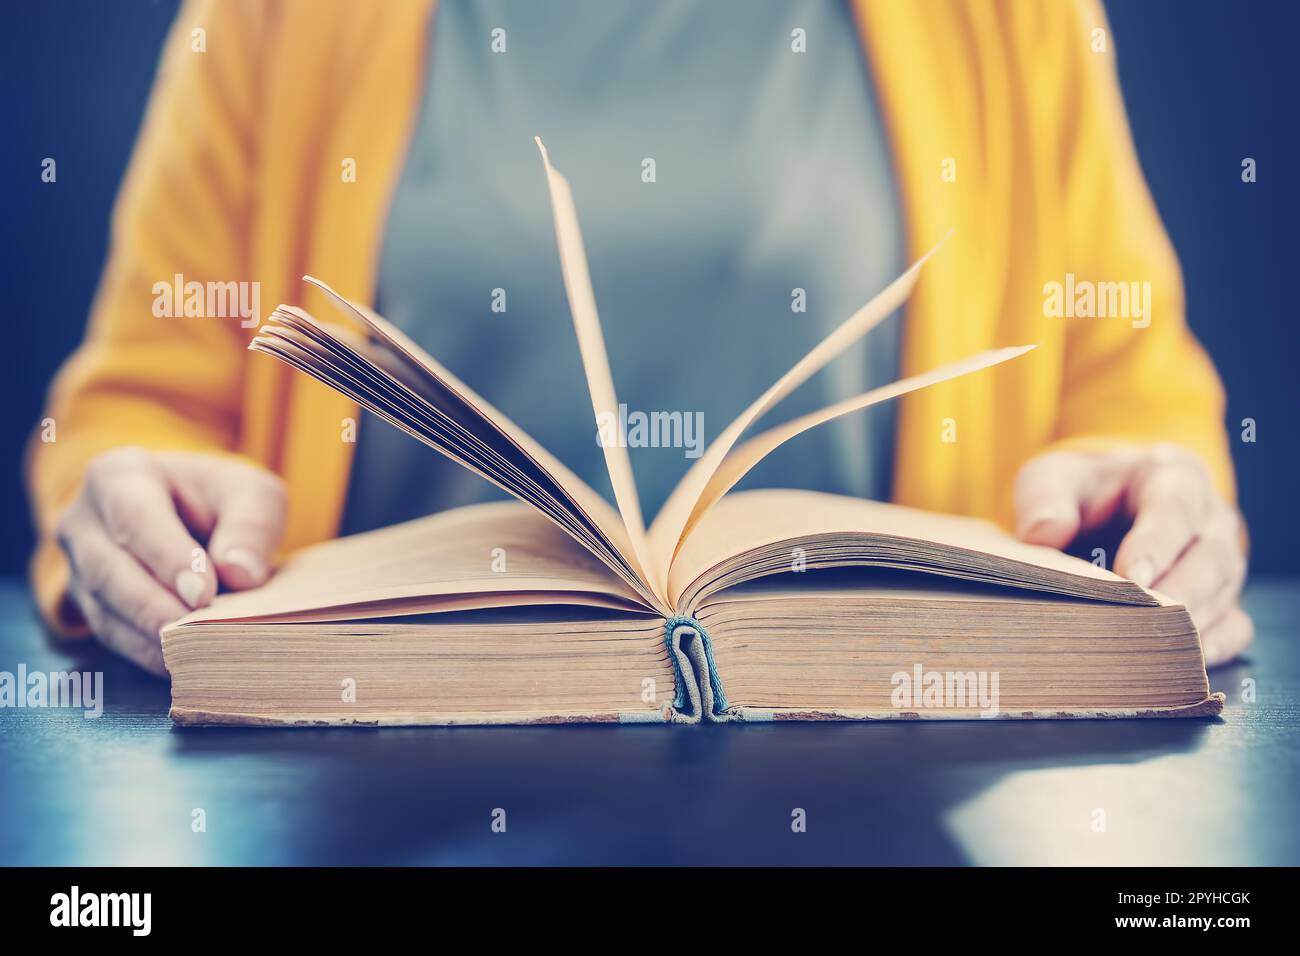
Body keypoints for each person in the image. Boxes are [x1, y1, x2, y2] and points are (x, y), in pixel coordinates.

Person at [27, 0, 1250, 677]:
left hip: (903, 767)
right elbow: (144, 403)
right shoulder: (270, 18)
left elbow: (1124, 387)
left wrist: (1146, 498)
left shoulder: (1005, 16)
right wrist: (131, 502)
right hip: (363, 769)